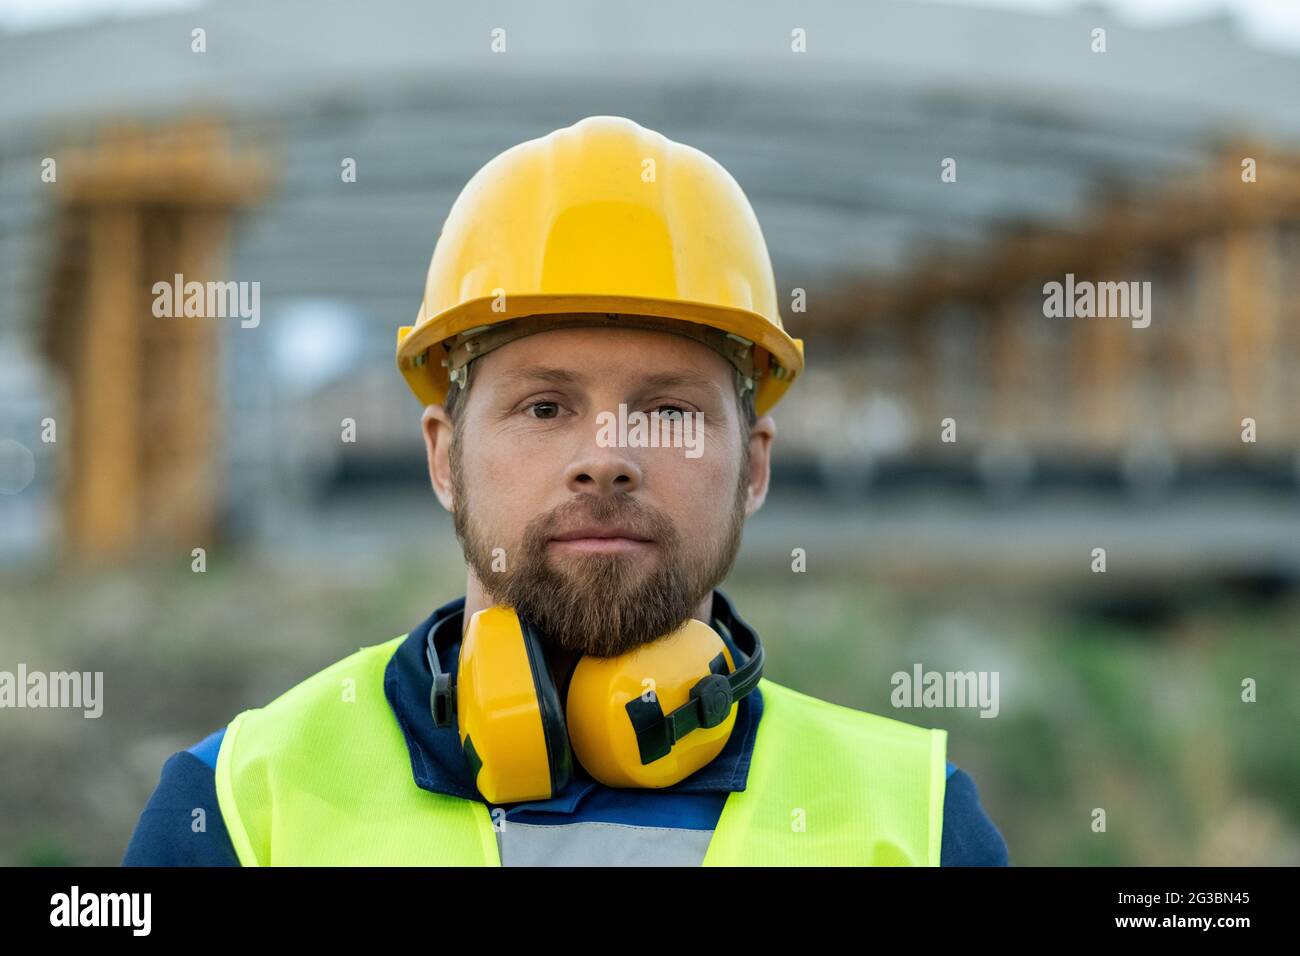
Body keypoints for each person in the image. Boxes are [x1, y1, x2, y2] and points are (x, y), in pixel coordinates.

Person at [124, 116, 1008, 866]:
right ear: (443, 458)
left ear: (757, 466)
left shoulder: (922, 828)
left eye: (668, 410)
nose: (607, 458)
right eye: (545, 406)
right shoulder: (237, 811)